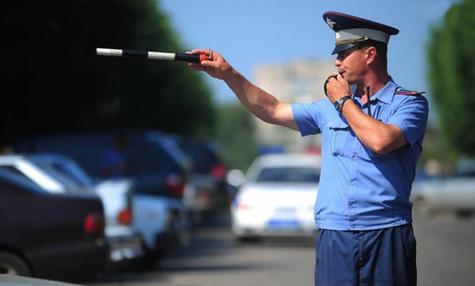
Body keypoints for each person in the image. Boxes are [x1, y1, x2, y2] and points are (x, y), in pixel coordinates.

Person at [189, 11, 428, 286]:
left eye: (345, 52)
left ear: (370, 54)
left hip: (386, 233)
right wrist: (227, 74)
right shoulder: (329, 108)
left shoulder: (408, 104)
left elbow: (381, 140)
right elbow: (272, 109)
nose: (337, 61)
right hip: (335, 235)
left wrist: (342, 103)